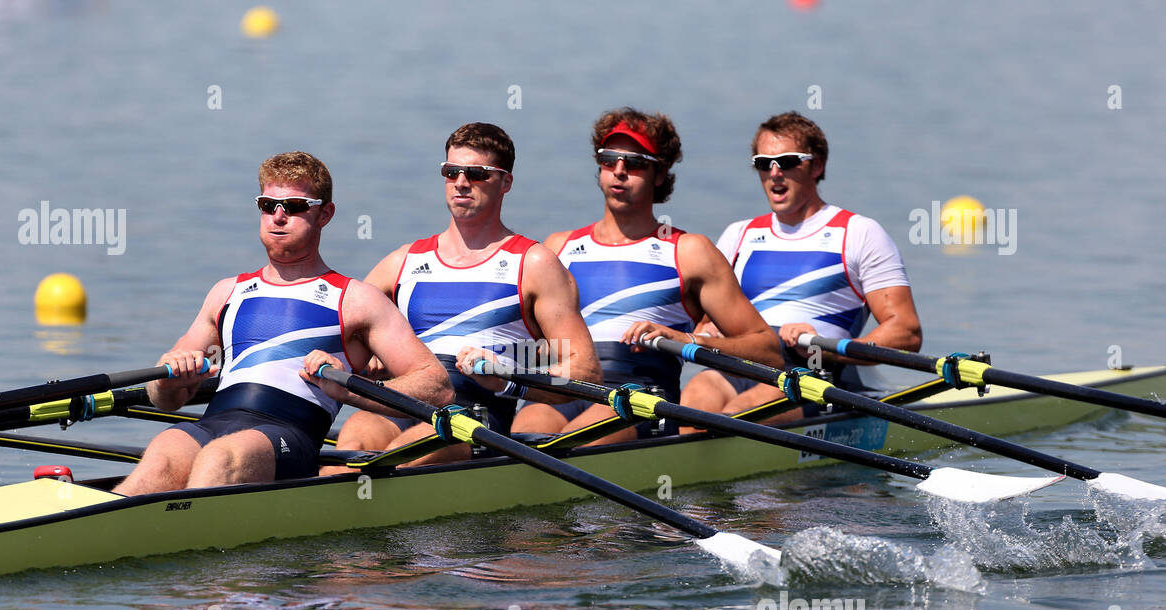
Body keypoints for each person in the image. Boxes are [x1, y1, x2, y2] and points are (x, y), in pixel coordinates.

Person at [114, 152, 451, 495]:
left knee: (222, 457)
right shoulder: (227, 292)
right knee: (162, 455)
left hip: (288, 439)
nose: (278, 216)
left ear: (325, 214)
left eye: (293, 206)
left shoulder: (356, 300)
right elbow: (165, 400)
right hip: (213, 424)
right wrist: (169, 379)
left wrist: (348, 389)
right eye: (268, 205)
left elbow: (437, 386)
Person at [331, 123, 600, 468]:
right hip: (401, 404)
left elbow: (585, 371)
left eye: (476, 173)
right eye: (451, 171)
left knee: (402, 456)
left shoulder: (534, 264)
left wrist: (509, 379)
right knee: (352, 438)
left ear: (506, 183)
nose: (461, 182)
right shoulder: (403, 263)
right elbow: (339, 332)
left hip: (475, 420)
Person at [512, 108, 781, 444]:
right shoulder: (559, 247)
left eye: (635, 162)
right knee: (521, 436)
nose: (619, 171)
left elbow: (769, 351)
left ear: (659, 173)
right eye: (609, 160)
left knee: (566, 444)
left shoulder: (689, 252)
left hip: (642, 396)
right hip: (568, 386)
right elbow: (532, 343)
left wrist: (687, 341)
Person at [682, 111, 923, 416]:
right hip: (740, 366)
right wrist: (709, 327)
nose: (774, 173)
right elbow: (702, 322)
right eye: (762, 163)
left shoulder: (859, 233)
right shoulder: (738, 235)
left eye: (786, 161)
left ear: (817, 165)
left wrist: (826, 348)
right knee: (693, 402)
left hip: (812, 374)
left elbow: (907, 331)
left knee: (738, 415)